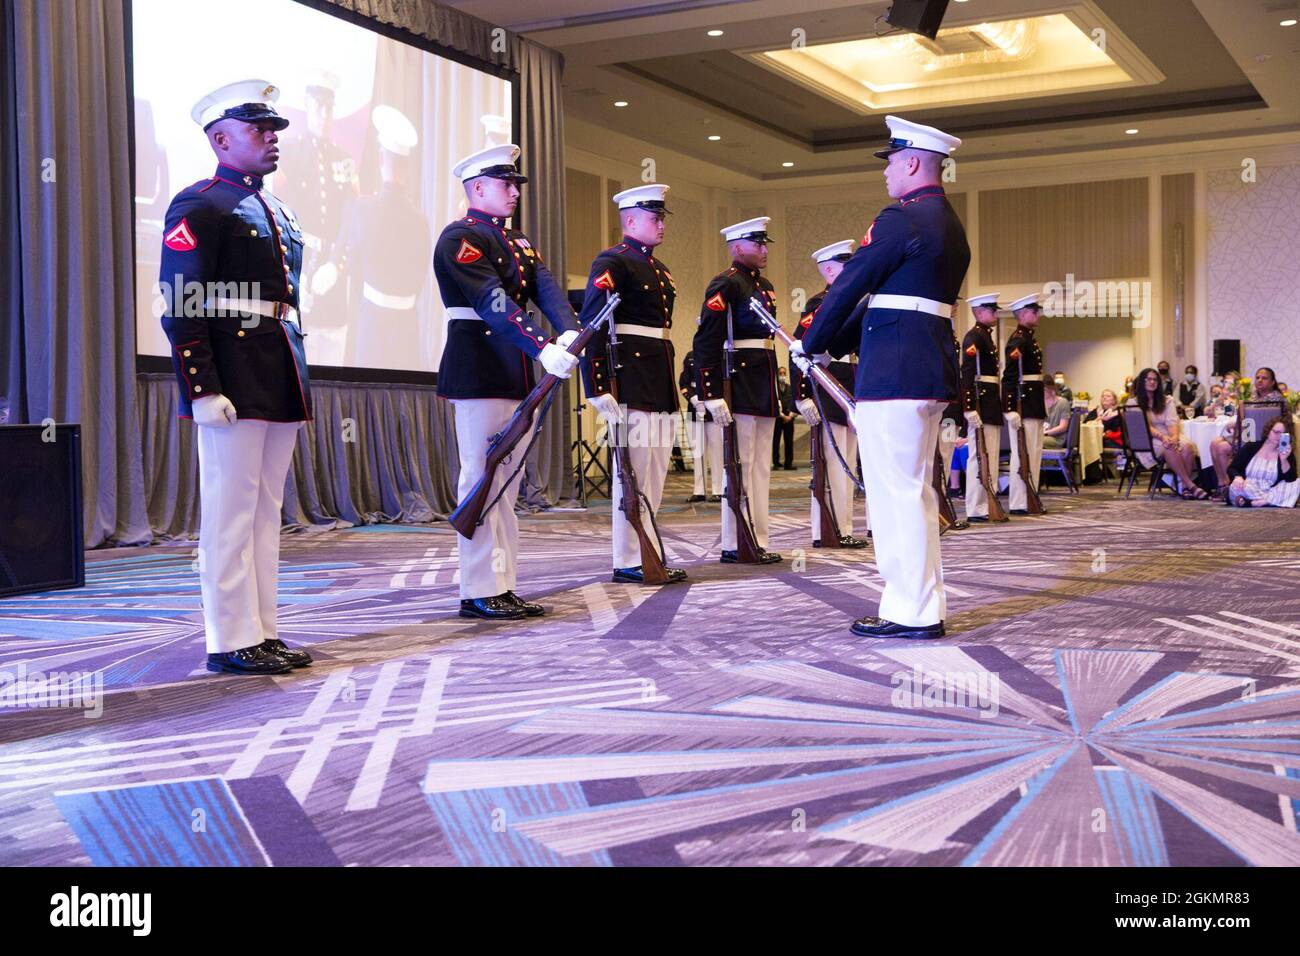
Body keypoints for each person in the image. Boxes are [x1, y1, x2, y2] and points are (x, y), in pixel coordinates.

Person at [160, 80, 314, 675]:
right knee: (230, 509)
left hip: (278, 364)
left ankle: (262, 630)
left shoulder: (276, 209)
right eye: (259, 130)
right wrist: (200, 386)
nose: (272, 139)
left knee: (264, 508)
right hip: (230, 368)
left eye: (274, 130)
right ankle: (229, 637)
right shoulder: (198, 203)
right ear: (221, 139)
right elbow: (181, 299)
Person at [793, 115, 968, 639]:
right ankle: (924, 603)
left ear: (913, 161)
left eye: (892, 161)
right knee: (915, 491)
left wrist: (810, 342)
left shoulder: (901, 218)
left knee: (896, 495)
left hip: (893, 374)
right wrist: (831, 347)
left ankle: (907, 609)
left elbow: (850, 285)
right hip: (927, 368)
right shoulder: (949, 224)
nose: (887, 172)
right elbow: (889, 301)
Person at [435, 143, 580, 620]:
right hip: (478, 366)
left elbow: (546, 287)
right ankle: (478, 587)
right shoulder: (463, 237)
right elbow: (491, 301)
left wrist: (570, 330)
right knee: (480, 475)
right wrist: (542, 346)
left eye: (515, 184)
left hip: (513, 367)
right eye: (506, 184)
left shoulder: (517, 241)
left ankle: (502, 582)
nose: (514, 192)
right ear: (477, 189)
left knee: (507, 483)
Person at [577, 184, 687, 585]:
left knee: (655, 469)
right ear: (630, 221)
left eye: (661, 218)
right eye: (653, 218)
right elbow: (592, 324)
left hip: (657, 375)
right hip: (629, 375)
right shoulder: (613, 261)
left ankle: (649, 551)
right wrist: (596, 383)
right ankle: (628, 558)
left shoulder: (660, 269)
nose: (661, 225)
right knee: (633, 472)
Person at [693, 217, 783, 564]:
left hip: (763, 381)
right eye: (756, 244)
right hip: (739, 379)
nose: (763, 250)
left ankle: (758, 538)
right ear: (736, 248)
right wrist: (710, 390)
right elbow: (707, 339)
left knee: (762, 466)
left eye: (764, 244)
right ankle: (735, 541)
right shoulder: (726, 284)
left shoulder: (765, 285)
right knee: (740, 464)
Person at [792, 240, 867, 547]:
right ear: (829, 270)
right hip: (826, 383)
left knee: (848, 458)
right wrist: (800, 395)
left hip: (850, 380)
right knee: (832, 462)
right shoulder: (817, 304)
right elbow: (798, 349)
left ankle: (844, 527)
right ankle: (829, 529)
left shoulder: (853, 300)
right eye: (844, 267)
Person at [1131, 366, 1208, 499]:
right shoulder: (1133, 402)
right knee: (1168, 447)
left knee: (1187, 446)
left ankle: (1184, 488)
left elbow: (1172, 423)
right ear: (1141, 382)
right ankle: (1190, 485)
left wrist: (1174, 437)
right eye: (1148, 379)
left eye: (1155, 379)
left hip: (1169, 434)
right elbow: (1144, 427)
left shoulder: (1166, 400)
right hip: (1149, 440)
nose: (1152, 382)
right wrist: (1163, 437)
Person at [960, 292, 1004, 523]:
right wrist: (968, 407)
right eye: (991, 309)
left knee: (991, 455)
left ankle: (989, 501)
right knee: (978, 456)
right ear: (978, 312)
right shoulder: (974, 337)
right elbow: (967, 373)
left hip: (990, 402)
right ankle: (976, 507)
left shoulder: (986, 337)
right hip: (980, 401)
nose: (995, 313)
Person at [1002, 293, 1048, 514]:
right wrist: (1009, 408)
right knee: (1022, 453)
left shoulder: (1030, 338)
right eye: (1033, 311)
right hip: (1024, 403)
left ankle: (1031, 495)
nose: (1037, 314)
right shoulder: (1018, 340)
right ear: (1021, 314)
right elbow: (1009, 376)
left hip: (1033, 403)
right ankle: (1019, 502)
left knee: (1034, 451)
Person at [679, 351, 722, 502]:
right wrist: (693, 398)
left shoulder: (719, 354)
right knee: (698, 451)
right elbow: (684, 382)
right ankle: (699, 490)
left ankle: (718, 489)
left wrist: (709, 399)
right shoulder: (690, 356)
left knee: (717, 450)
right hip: (695, 408)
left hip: (713, 406)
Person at [1227, 417, 1298, 508]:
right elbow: (1232, 468)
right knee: (1236, 486)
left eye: (1283, 434)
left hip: (1270, 490)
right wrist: (1237, 477)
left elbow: (1291, 480)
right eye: (1275, 432)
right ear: (1268, 431)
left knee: (1297, 484)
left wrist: (1284, 459)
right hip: (1247, 487)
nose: (1278, 436)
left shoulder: (1286, 453)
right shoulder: (1251, 447)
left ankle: (1253, 503)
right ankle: (1272, 500)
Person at [772, 367, 797, 470]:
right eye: (780, 373)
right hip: (778, 418)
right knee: (776, 441)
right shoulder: (775, 389)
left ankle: (788, 463)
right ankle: (776, 463)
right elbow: (774, 403)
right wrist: (782, 415)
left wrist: (790, 416)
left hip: (789, 418)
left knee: (789, 441)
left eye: (784, 373)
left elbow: (795, 402)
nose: (782, 375)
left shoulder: (790, 388)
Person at [1041, 382, 1071, 449]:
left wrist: (1045, 433)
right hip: (1044, 435)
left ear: (1052, 392)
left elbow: (1063, 427)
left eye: (1044, 390)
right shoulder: (1042, 403)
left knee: (1037, 441)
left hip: (1056, 439)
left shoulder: (1063, 403)